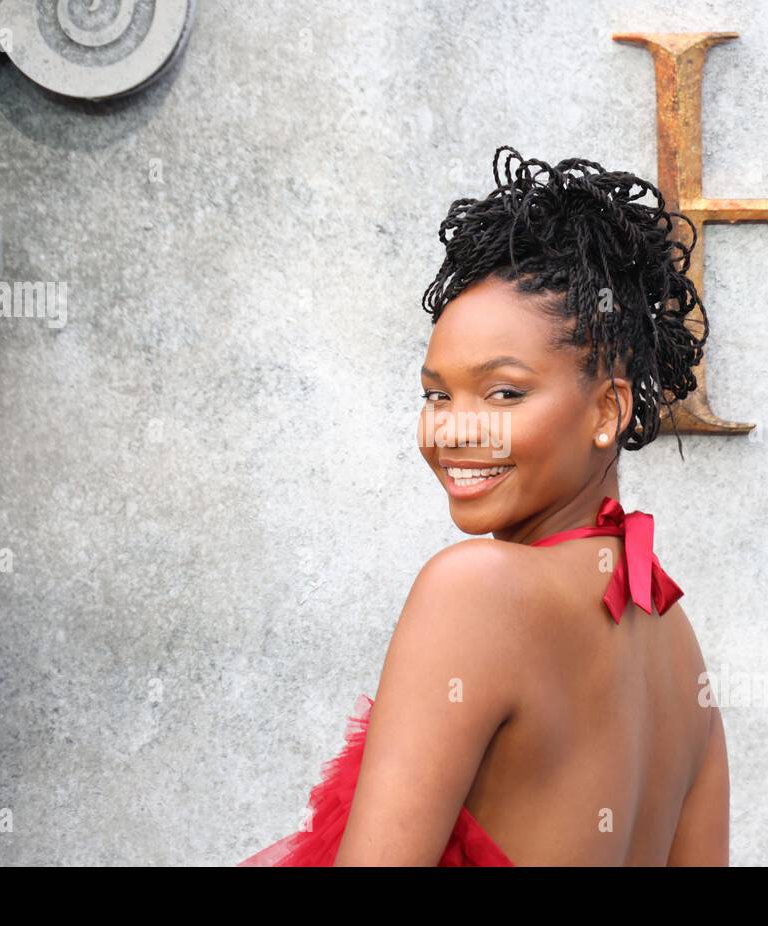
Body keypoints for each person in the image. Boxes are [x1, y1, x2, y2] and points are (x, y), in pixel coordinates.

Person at [238, 145, 728, 866]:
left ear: (607, 409)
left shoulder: (475, 590)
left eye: (504, 393)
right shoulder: (673, 633)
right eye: (438, 394)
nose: (454, 429)